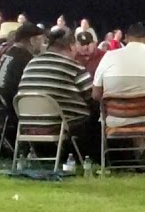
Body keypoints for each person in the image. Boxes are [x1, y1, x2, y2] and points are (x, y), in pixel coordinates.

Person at [17, 27, 98, 156]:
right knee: (98, 117)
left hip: (28, 125)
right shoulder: (72, 66)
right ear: (71, 46)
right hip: (61, 126)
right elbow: (93, 97)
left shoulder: (31, 64)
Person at [0, 23, 45, 105]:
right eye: (40, 40)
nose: (42, 45)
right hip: (13, 110)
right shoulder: (27, 60)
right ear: (32, 41)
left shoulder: (6, 55)